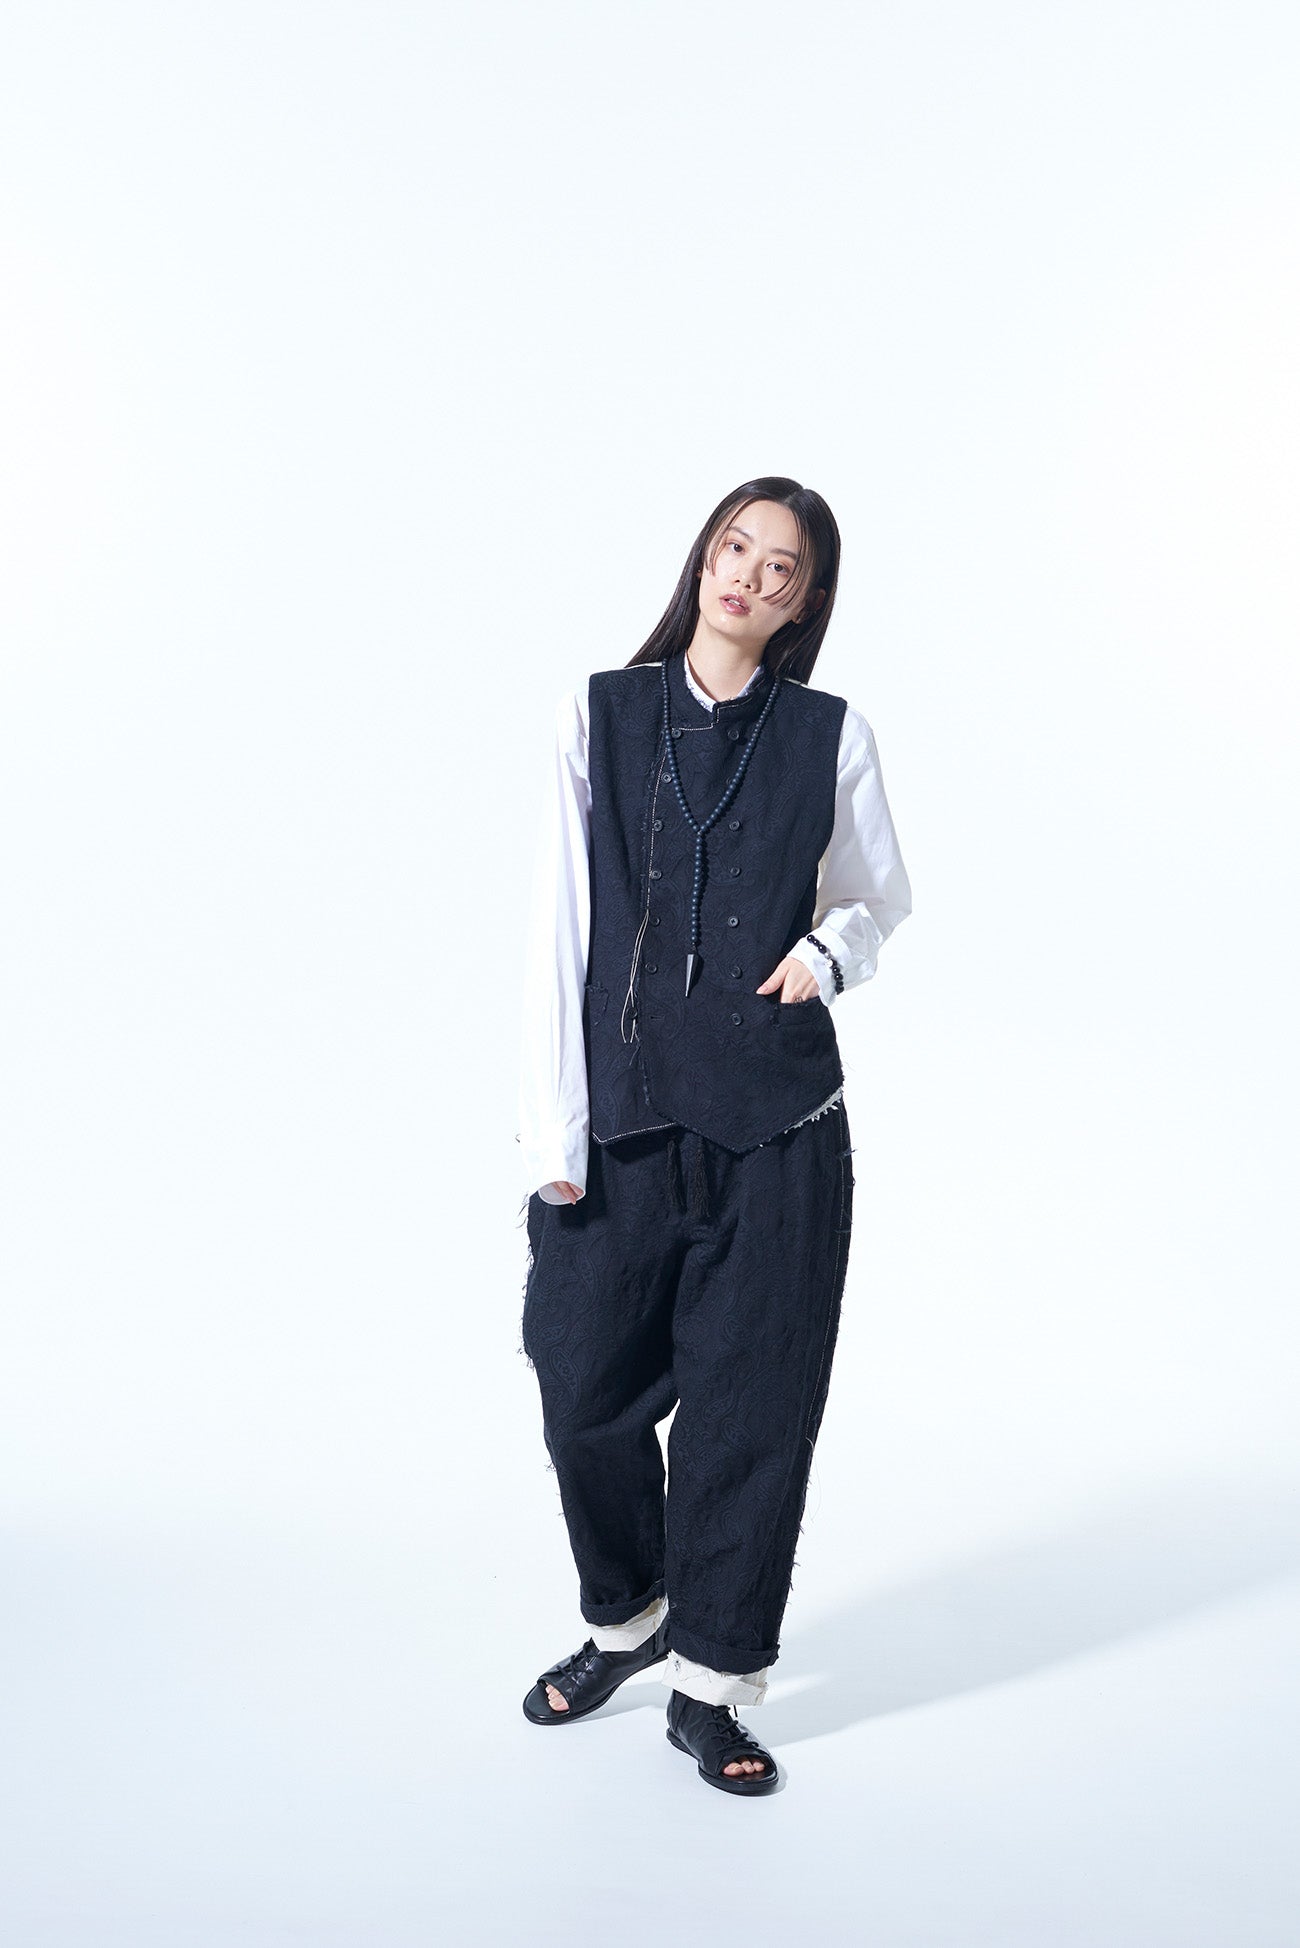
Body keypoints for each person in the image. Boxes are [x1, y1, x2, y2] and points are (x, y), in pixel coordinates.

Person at [515, 475, 912, 1795]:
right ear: (703, 559)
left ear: (805, 601)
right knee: (581, 1386)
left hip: (780, 1133)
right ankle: (629, 1616)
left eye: (779, 566)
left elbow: (876, 896)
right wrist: (553, 1131)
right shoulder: (600, 713)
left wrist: (829, 956)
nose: (748, 575)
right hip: (621, 1126)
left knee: (752, 1416)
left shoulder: (830, 736)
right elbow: (556, 929)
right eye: (735, 547)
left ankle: (712, 1689)